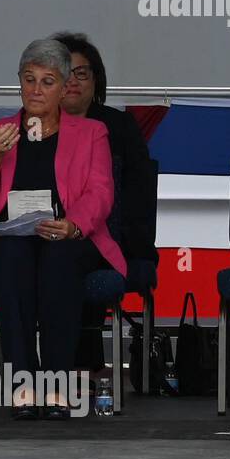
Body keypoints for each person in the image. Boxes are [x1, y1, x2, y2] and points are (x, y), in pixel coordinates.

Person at [0, 39, 125, 419]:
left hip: (69, 236)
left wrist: (73, 225)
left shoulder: (91, 132)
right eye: (28, 79)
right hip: (10, 238)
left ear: (65, 89)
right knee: (9, 253)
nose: (35, 89)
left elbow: (100, 192)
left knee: (58, 257)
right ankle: (22, 384)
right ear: (18, 83)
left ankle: (56, 383)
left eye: (47, 81)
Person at [52, 32, 158, 376]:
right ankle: (32, 370)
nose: (72, 81)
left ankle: (76, 367)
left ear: (95, 80)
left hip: (113, 236)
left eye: (81, 73)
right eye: (63, 72)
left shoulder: (120, 127)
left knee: (77, 255)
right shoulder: (32, 126)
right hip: (49, 234)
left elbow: (138, 196)